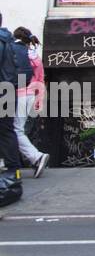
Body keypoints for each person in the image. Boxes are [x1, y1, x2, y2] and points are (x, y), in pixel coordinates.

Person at [0, 14, 34, 186]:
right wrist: (12, 85)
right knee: (7, 130)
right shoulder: (14, 44)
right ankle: (14, 170)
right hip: (8, 92)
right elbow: (27, 74)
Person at [11, 28, 49, 177]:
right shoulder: (36, 58)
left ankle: (36, 157)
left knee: (15, 130)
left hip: (17, 94)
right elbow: (40, 81)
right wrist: (39, 101)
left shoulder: (15, 53)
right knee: (16, 129)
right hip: (30, 96)